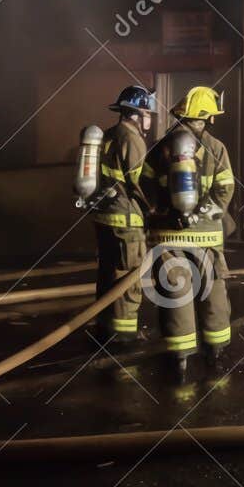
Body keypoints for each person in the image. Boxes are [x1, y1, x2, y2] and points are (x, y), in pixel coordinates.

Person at [140, 86, 235, 382]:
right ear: (204, 118)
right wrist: (203, 213)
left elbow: (146, 188)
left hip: (168, 236)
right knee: (212, 291)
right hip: (206, 237)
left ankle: (180, 361)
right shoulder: (216, 148)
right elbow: (225, 188)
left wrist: (164, 213)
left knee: (175, 292)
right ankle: (215, 354)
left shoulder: (160, 148)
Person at [89, 86, 154, 345]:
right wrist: (154, 210)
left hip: (104, 219)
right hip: (126, 221)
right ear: (137, 115)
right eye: (147, 113)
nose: (149, 119)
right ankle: (124, 335)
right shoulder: (132, 138)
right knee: (128, 278)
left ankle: (104, 327)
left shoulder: (108, 135)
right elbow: (139, 183)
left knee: (107, 273)